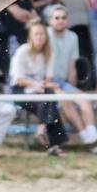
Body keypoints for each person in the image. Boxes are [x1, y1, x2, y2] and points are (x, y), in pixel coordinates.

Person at [9, 21, 70, 156]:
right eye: (36, 34)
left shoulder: (48, 53)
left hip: (40, 91)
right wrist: (38, 85)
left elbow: (47, 78)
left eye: (42, 34)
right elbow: (19, 79)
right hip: (21, 91)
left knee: (48, 100)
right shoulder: (22, 52)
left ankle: (45, 137)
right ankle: (51, 141)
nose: (39, 37)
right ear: (31, 36)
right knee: (49, 101)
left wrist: (43, 85)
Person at [43, 4, 97, 143]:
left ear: (67, 20)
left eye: (63, 18)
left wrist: (72, 87)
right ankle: (83, 134)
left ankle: (91, 130)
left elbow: (72, 65)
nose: (60, 20)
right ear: (50, 20)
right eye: (56, 18)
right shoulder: (44, 34)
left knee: (84, 98)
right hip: (47, 81)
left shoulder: (72, 36)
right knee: (65, 100)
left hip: (63, 82)